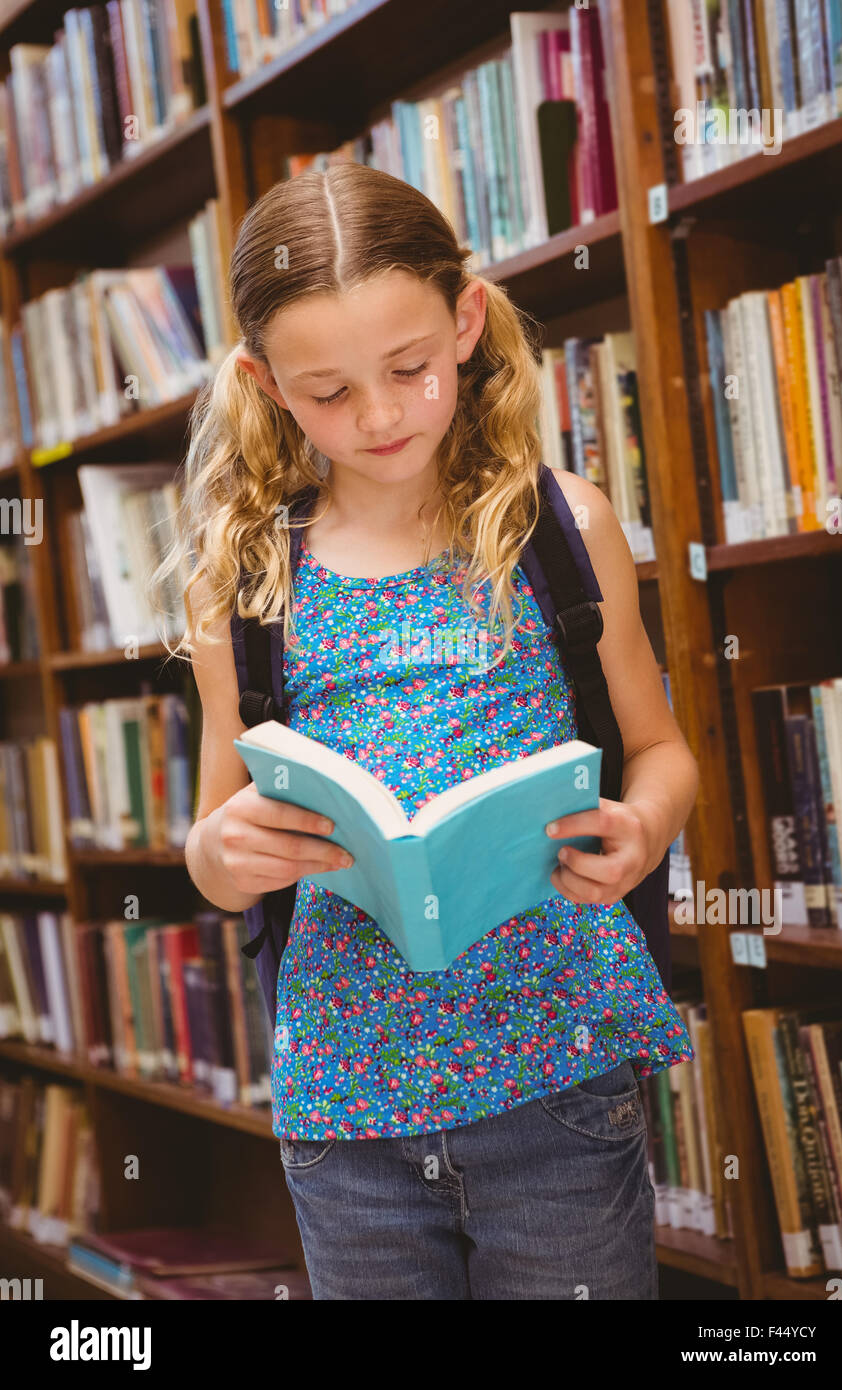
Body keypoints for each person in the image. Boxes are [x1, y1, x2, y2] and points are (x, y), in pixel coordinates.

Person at [160, 163, 699, 1300]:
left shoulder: (560, 524)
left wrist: (641, 826)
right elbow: (211, 840)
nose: (379, 416)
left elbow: (661, 750)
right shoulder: (247, 578)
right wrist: (220, 853)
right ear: (264, 384)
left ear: (463, 322)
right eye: (326, 391)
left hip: (555, 1073)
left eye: (407, 369)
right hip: (347, 1106)